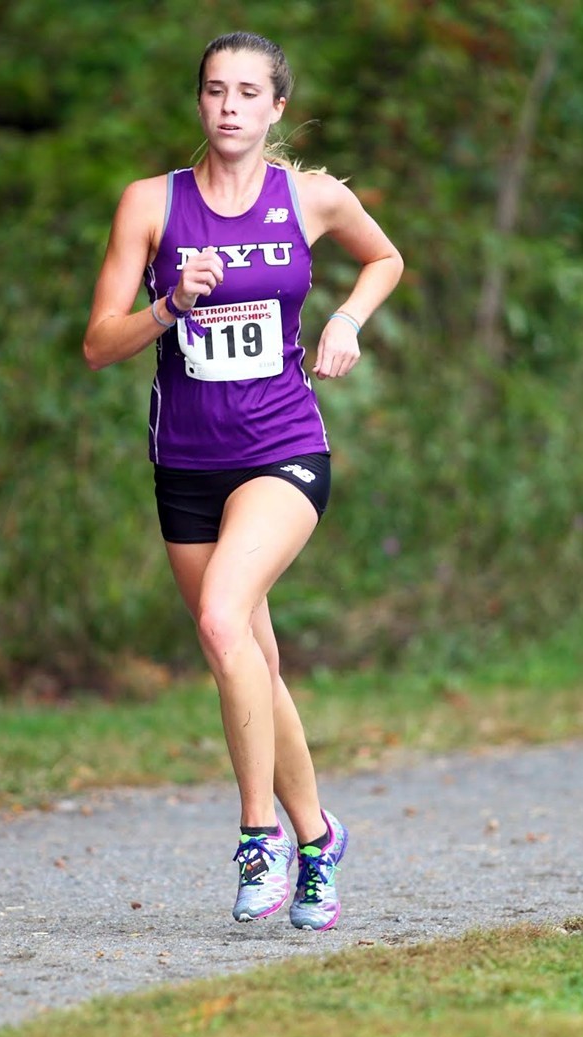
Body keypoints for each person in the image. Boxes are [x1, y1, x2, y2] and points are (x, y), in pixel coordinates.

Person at [81, 31, 403, 929]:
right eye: (215, 90)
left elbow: (386, 258)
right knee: (250, 661)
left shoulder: (310, 198)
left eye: (248, 92)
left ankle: (257, 835)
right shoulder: (151, 206)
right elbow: (98, 345)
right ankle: (319, 839)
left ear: (275, 110)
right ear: (200, 104)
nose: (229, 106)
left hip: (283, 450)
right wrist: (168, 306)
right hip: (185, 463)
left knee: (224, 619)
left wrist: (344, 322)